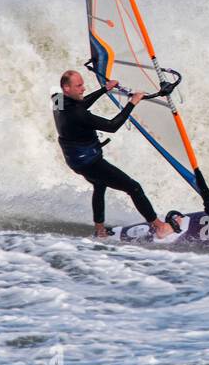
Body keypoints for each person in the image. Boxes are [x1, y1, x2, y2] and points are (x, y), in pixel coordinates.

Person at [53, 70, 175, 239]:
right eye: (79, 86)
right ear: (66, 88)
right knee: (134, 188)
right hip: (90, 162)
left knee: (99, 185)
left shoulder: (58, 100)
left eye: (82, 84)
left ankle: (100, 230)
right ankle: (160, 226)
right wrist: (132, 103)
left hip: (75, 161)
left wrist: (104, 89)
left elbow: (79, 104)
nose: (83, 88)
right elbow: (112, 126)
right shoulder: (78, 114)